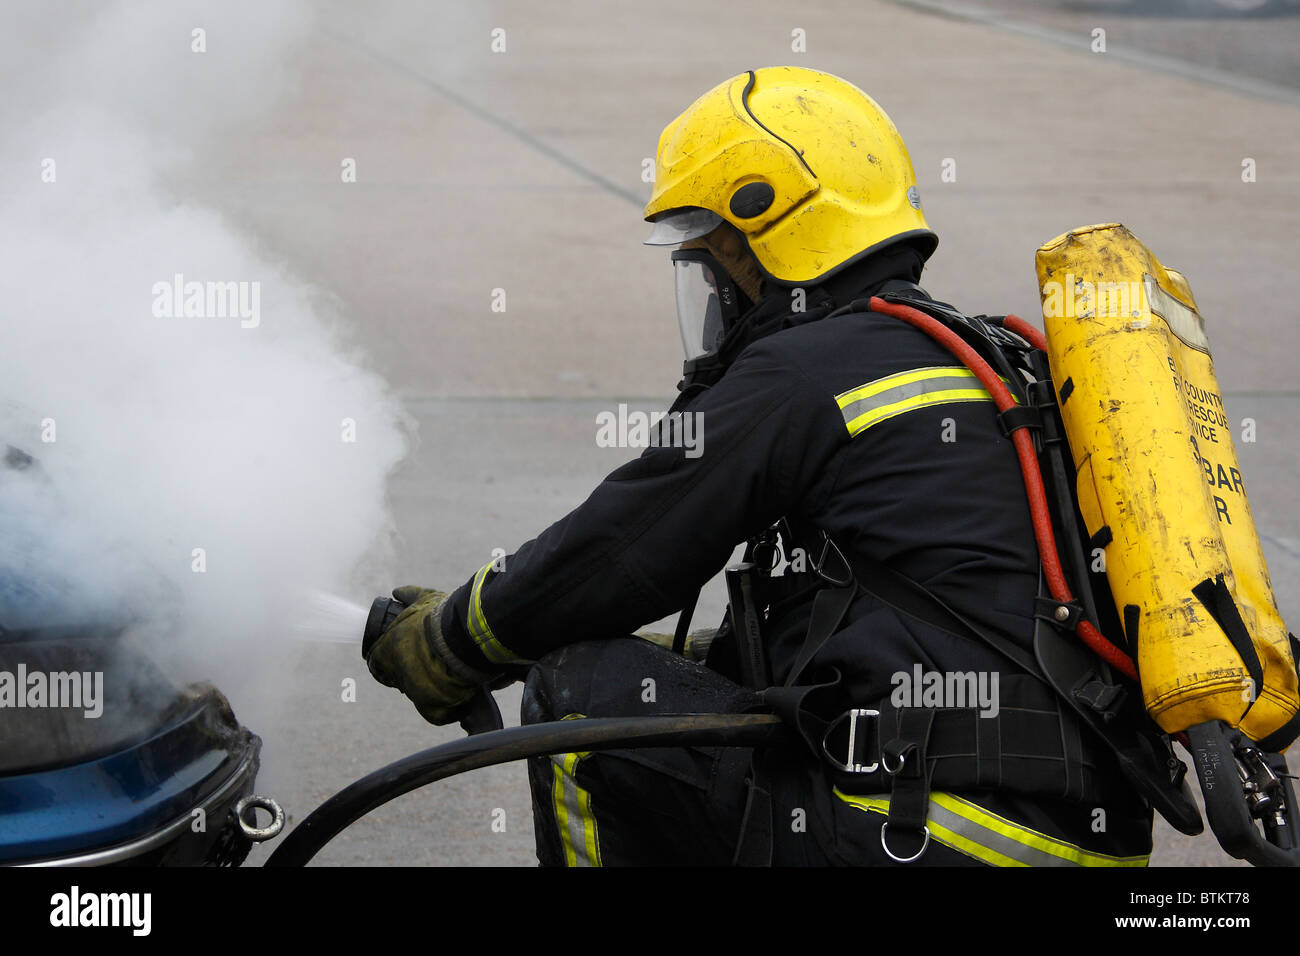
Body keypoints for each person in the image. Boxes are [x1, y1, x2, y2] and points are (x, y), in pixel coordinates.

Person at [364, 66, 1156, 866]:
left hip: (944, 834)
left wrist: (451, 638)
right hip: (1078, 839)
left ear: (763, 239)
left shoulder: (807, 371)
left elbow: (618, 550)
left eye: (712, 264)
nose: (711, 298)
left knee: (579, 696)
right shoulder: (989, 361)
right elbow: (917, 616)